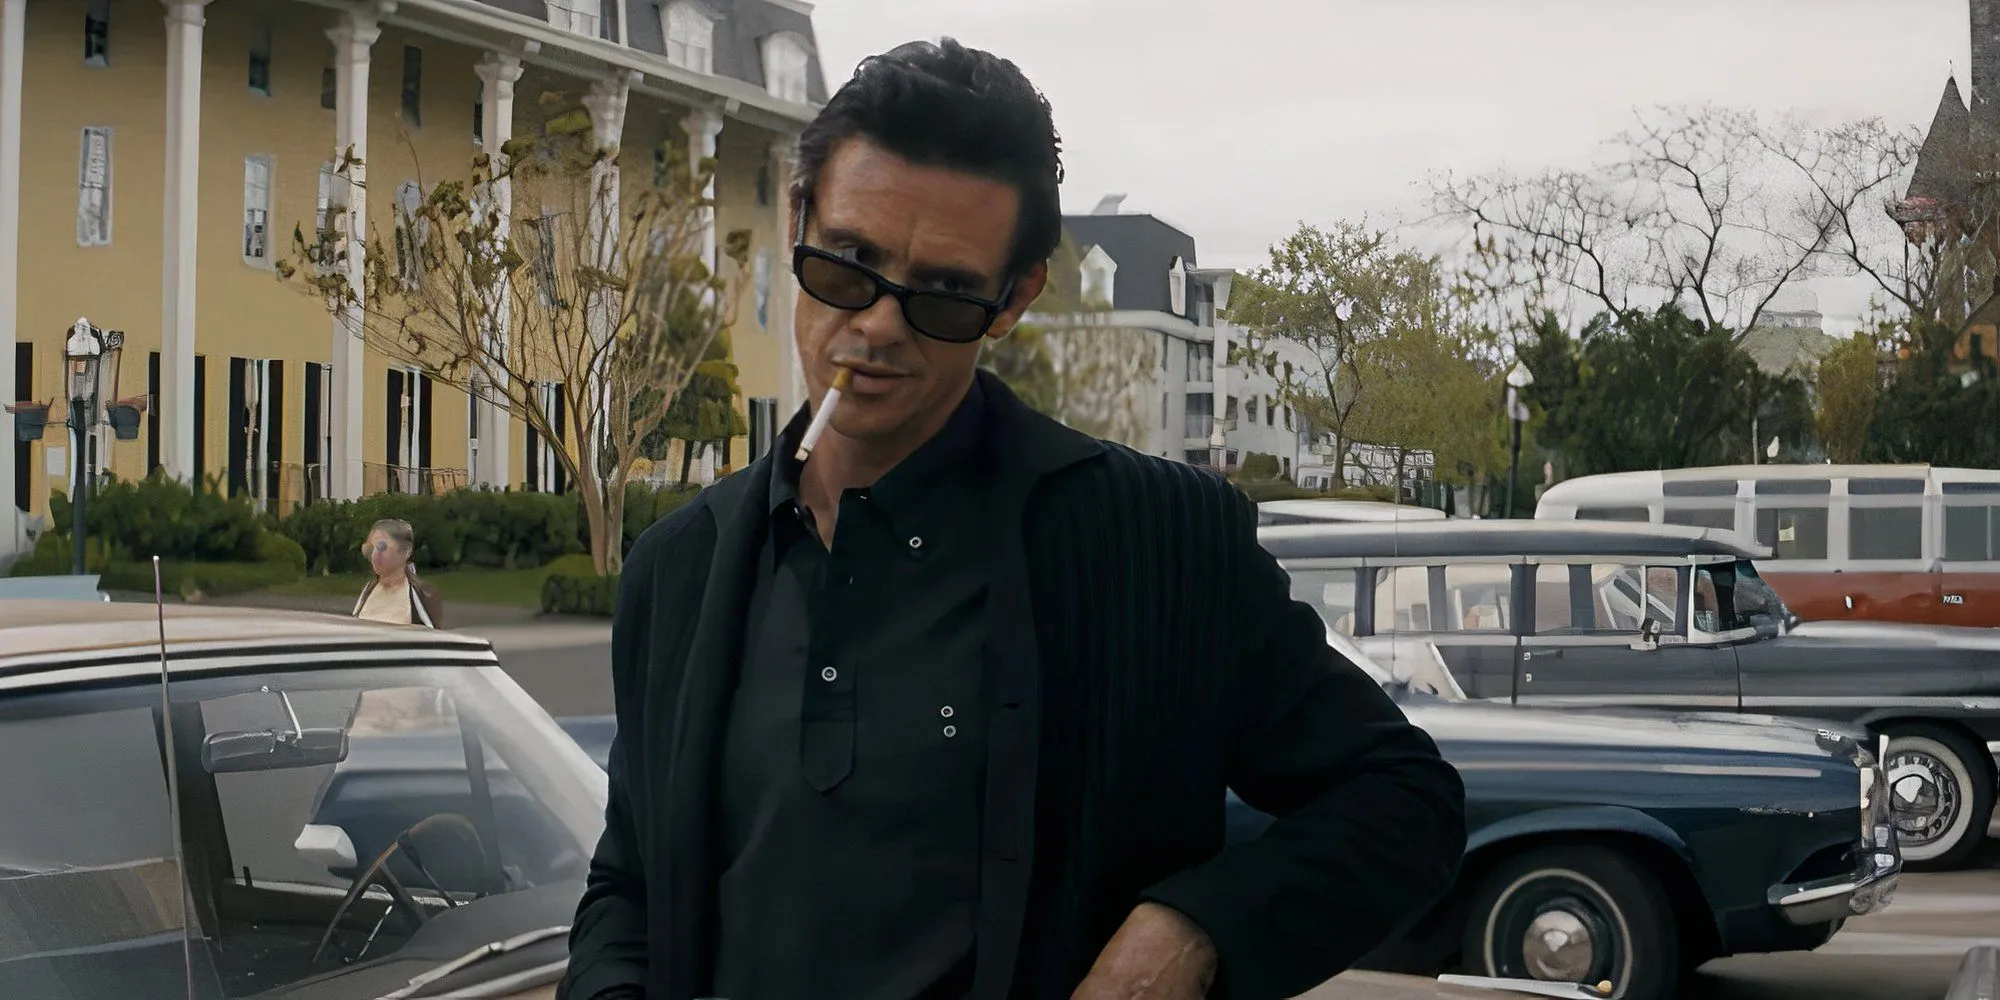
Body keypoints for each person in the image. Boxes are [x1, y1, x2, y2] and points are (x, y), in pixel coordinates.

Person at [561, 38, 1465, 1000]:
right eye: (849, 263)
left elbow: (1402, 803)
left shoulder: (1156, 548)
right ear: (799, 219)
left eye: (944, 294)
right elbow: (632, 883)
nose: (874, 325)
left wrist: (1197, 929)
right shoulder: (680, 570)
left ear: (1015, 297)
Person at [352, 518, 442, 628]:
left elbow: (435, 639)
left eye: (382, 547)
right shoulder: (368, 590)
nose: (374, 555)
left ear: (405, 550)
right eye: (371, 548)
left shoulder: (422, 595)